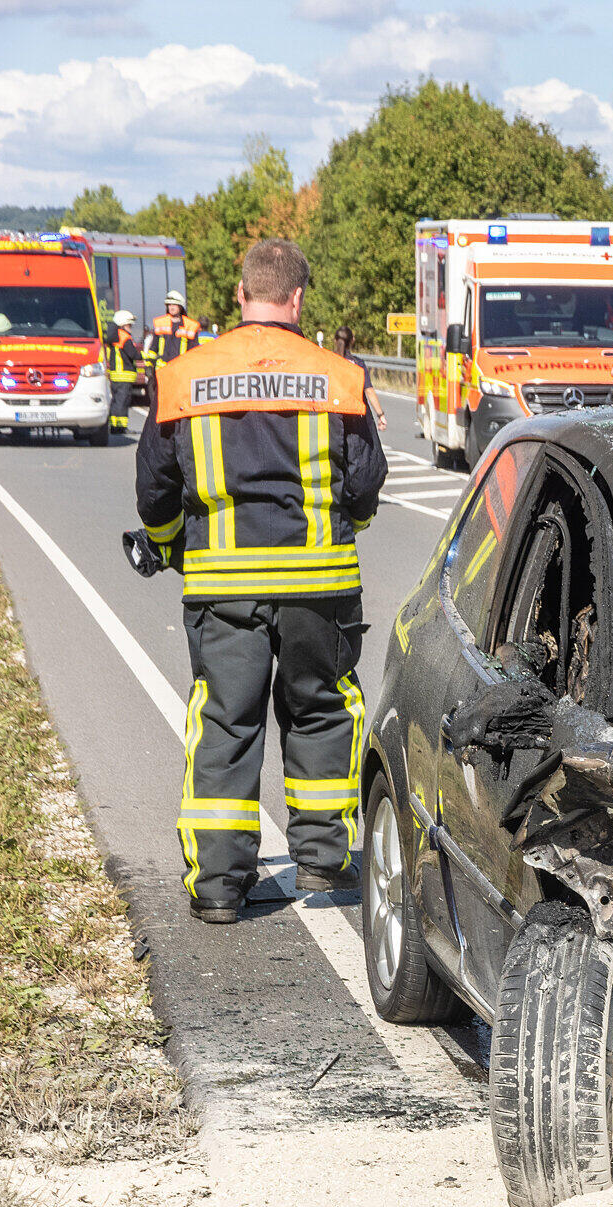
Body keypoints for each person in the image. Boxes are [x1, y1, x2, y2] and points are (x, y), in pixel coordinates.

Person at [134, 239, 387, 923]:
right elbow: (365, 485)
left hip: (222, 588)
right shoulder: (339, 376)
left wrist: (174, 550)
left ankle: (217, 886)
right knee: (323, 711)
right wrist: (344, 525)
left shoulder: (183, 374)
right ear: (297, 298)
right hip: (321, 585)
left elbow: (155, 493)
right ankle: (320, 860)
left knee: (225, 719)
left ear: (242, 295)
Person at [332, 325, 387, 432]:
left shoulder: (328, 360)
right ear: (352, 341)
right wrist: (380, 415)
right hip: (354, 418)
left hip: (332, 417)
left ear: (335, 340)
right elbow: (369, 390)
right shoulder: (358, 364)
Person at [142, 290, 201, 373]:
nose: (171, 307)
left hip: (182, 369)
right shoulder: (161, 323)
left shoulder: (190, 326)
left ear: (180, 307)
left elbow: (194, 351)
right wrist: (149, 366)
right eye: (169, 305)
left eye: (174, 305)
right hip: (163, 369)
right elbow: (153, 348)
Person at [106, 309, 140, 435]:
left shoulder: (115, 337)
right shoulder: (124, 337)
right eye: (129, 325)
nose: (130, 327)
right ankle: (120, 427)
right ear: (123, 324)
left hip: (116, 376)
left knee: (116, 401)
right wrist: (144, 355)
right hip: (123, 376)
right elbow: (133, 354)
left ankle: (114, 425)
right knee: (122, 402)